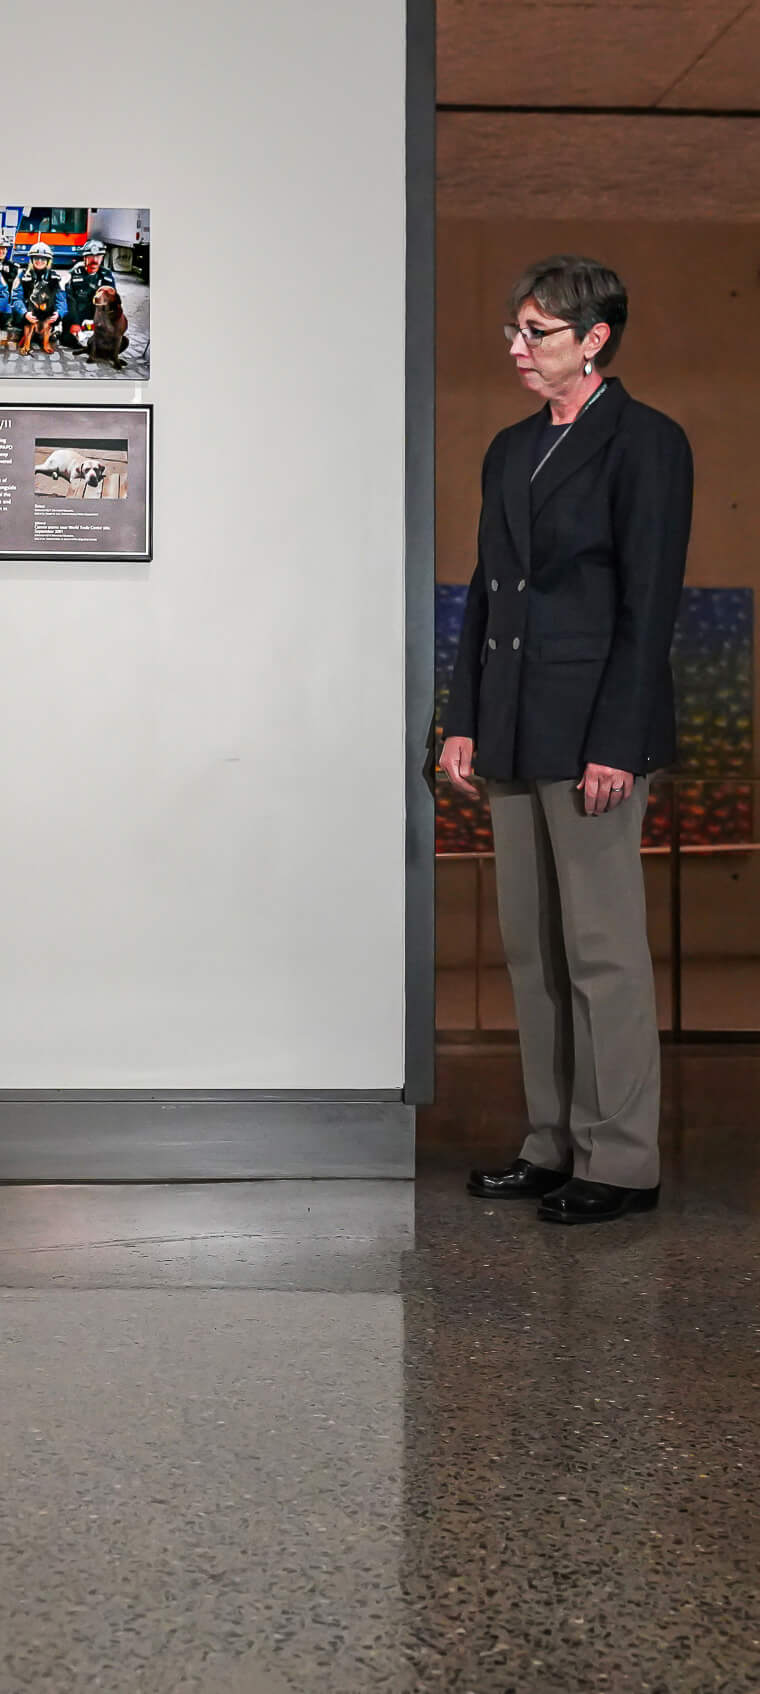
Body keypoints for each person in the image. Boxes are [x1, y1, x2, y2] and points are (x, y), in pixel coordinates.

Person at [447, 256, 693, 1225]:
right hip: (510, 725)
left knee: (601, 956)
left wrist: (618, 742)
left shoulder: (647, 444)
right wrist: (461, 716)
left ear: (592, 340)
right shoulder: (509, 447)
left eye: (536, 332)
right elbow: (485, 590)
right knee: (532, 954)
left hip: (593, 734)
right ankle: (548, 1144)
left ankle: (620, 1159)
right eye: (514, 330)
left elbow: (647, 606)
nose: (516, 347)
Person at [59, 237, 117, 347]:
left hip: (98, 317)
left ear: (102, 257)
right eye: (90, 256)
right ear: (84, 257)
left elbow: (112, 303)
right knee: (67, 340)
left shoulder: (107, 276)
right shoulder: (74, 273)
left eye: (98, 256)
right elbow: (70, 302)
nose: (94, 260)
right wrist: (75, 323)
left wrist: (102, 324)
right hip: (78, 316)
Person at [13, 240, 63, 351]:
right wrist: (24, 313)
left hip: (46, 316)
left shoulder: (54, 277)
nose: (39, 261)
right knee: (25, 319)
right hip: (28, 314)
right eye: (36, 258)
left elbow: (61, 299)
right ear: (31, 260)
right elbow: (16, 298)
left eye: (43, 258)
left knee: (49, 315)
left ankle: (45, 342)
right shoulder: (23, 275)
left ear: (48, 260)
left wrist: (59, 313)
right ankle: (27, 342)